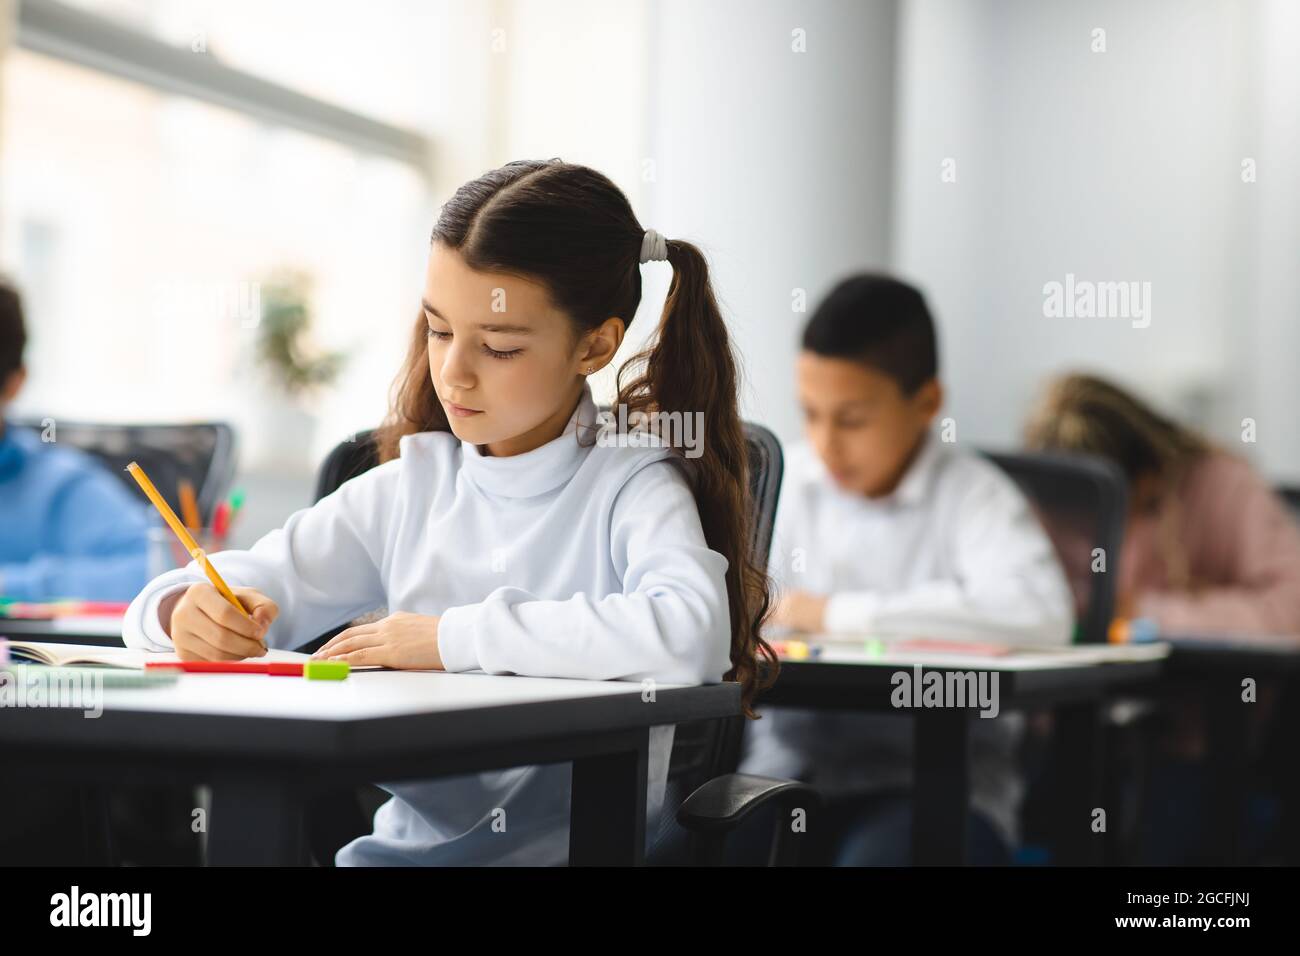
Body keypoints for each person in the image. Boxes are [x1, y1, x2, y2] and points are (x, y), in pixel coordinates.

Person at [122, 159, 775, 865]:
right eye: (438, 331)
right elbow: (255, 579)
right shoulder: (411, 486)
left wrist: (449, 638)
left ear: (595, 344)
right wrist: (182, 610)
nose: (454, 371)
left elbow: (689, 633)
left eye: (498, 346)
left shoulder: (629, 481)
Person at [736, 274, 1073, 865]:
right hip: (786, 778)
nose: (825, 442)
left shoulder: (977, 497)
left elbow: (1038, 615)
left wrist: (832, 615)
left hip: (937, 790)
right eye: (811, 414)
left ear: (927, 404)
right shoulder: (787, 484)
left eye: (853, 419)